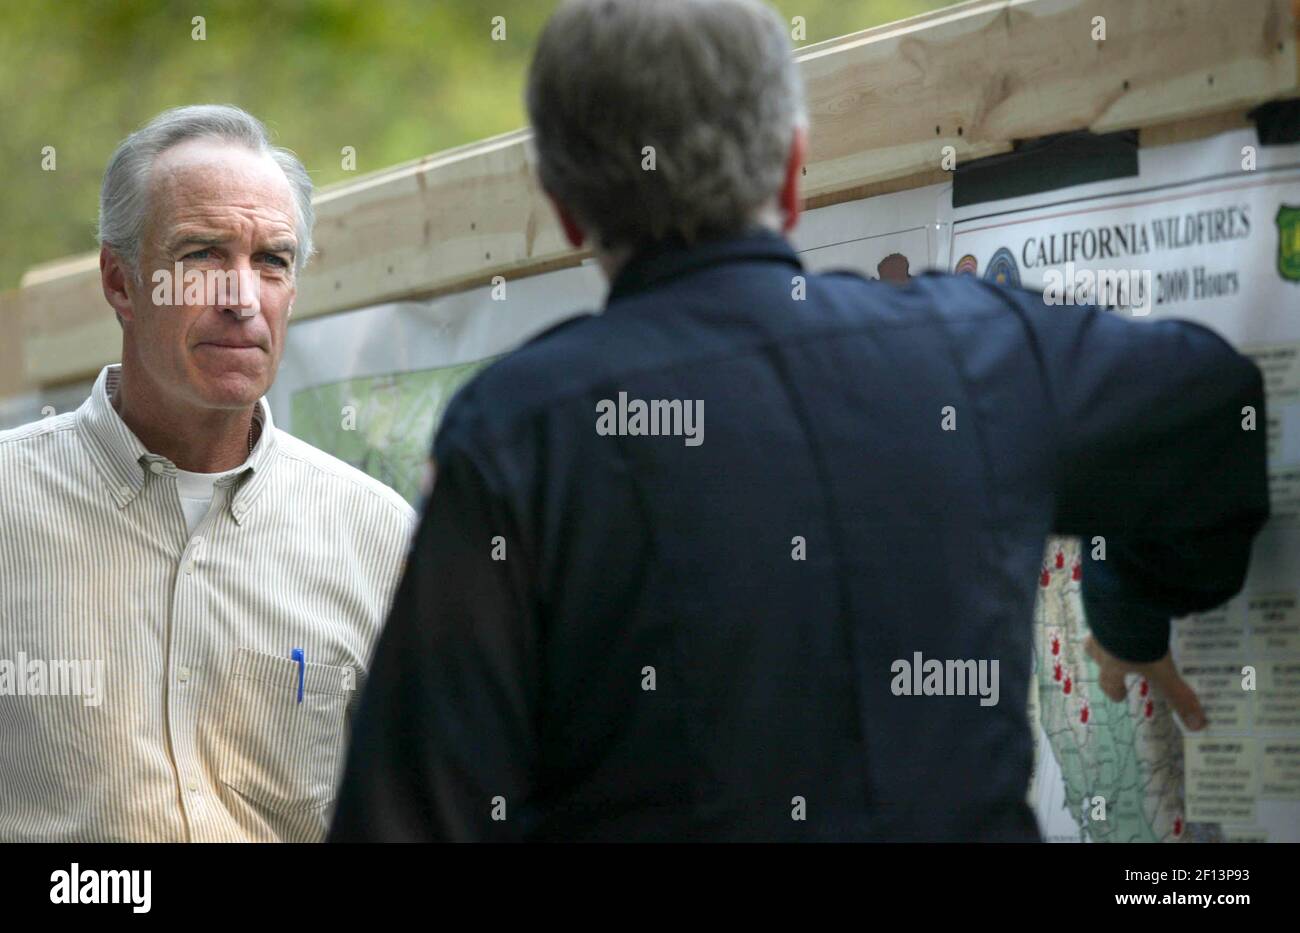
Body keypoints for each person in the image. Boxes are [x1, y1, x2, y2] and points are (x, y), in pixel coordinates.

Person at [329, 0, 1268, 841]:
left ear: (567, 209)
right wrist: (1131, 607)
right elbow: (1217, 406)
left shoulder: (518, 432)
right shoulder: (974, 349)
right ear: (790, 170)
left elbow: (410, 809)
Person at [0, 105, 415, 842]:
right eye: (201, 255)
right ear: (121, 283)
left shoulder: (377, 535)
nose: (242, 299)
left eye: (272, 262)